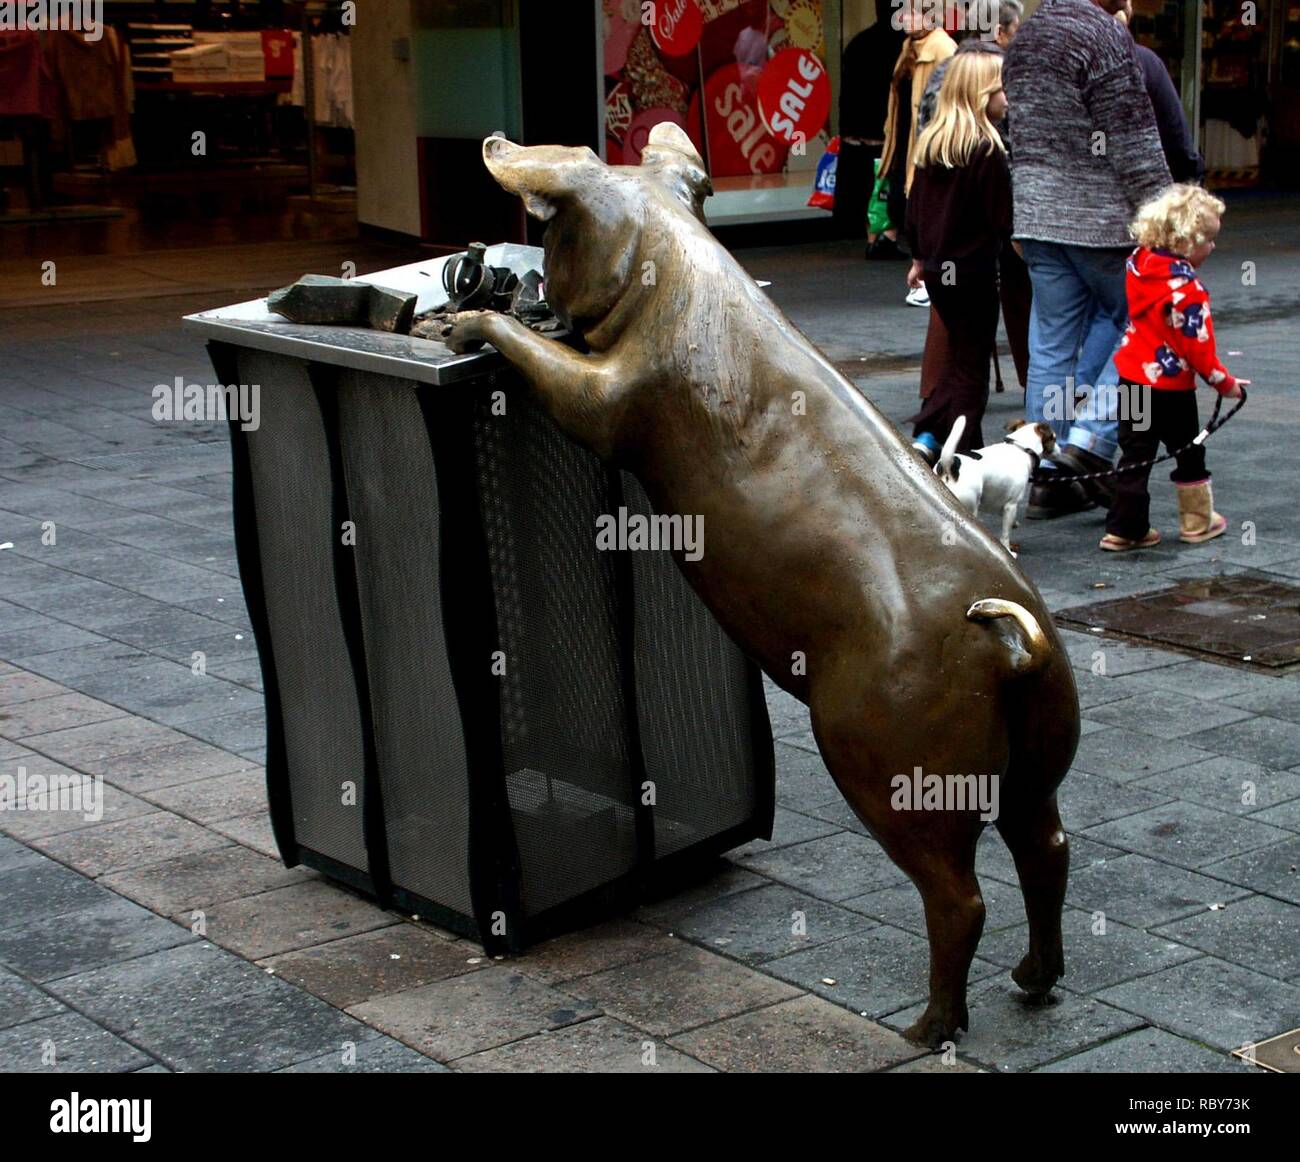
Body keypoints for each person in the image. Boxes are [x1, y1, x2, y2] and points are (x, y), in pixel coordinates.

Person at [1003, 0, 1171, 519]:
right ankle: (1091, 441)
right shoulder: (1103, 36)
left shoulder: (1026, 38)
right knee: (1141, 320)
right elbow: (1133, 139)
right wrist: (1167, 214)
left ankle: (1045, 466)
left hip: (1039, 217)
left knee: (1052, 342)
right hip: (1101, 221)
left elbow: (1018, 134)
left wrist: (1023, 205)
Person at [1101, 185, 1246, 551]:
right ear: (1185, 242)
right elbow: (1198, 348)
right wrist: (1225, 383)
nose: (1212, 248)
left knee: (1134, 453)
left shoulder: (1138, 263)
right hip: (1171, 387)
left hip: (1132, 377)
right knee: (1188, 449)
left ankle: (1125, 528)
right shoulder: (1187, 289)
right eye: (1208, 241)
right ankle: (1197, 521)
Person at [904, 52, 1012, 459]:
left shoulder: (933, 144)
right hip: (975, 270)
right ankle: (956, 448)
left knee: (957, 358)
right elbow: (1001, 219)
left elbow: (914, 208)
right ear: (981, 94)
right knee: (971, 367)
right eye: (1000, 90)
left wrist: (918, 258)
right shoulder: (987, 150)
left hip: (938, 271)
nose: (1007, 98)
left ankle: (933, 435)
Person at [871, 1, 956, 273]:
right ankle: (923, 269)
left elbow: (949, 102)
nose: (904, 17)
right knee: (907, 204)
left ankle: (930, 273)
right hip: (906, 138)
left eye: (912, 12)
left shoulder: (942, 48)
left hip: (927, 142)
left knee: (924, 206)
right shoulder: (909, 47)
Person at [839, 0, 906, 242]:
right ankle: (883, 232)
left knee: (861, 190)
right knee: (884, 188)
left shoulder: (858, 43)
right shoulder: (904, 47)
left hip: (856, 130)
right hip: (884, 130)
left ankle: (868, 231)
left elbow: (846, 94)